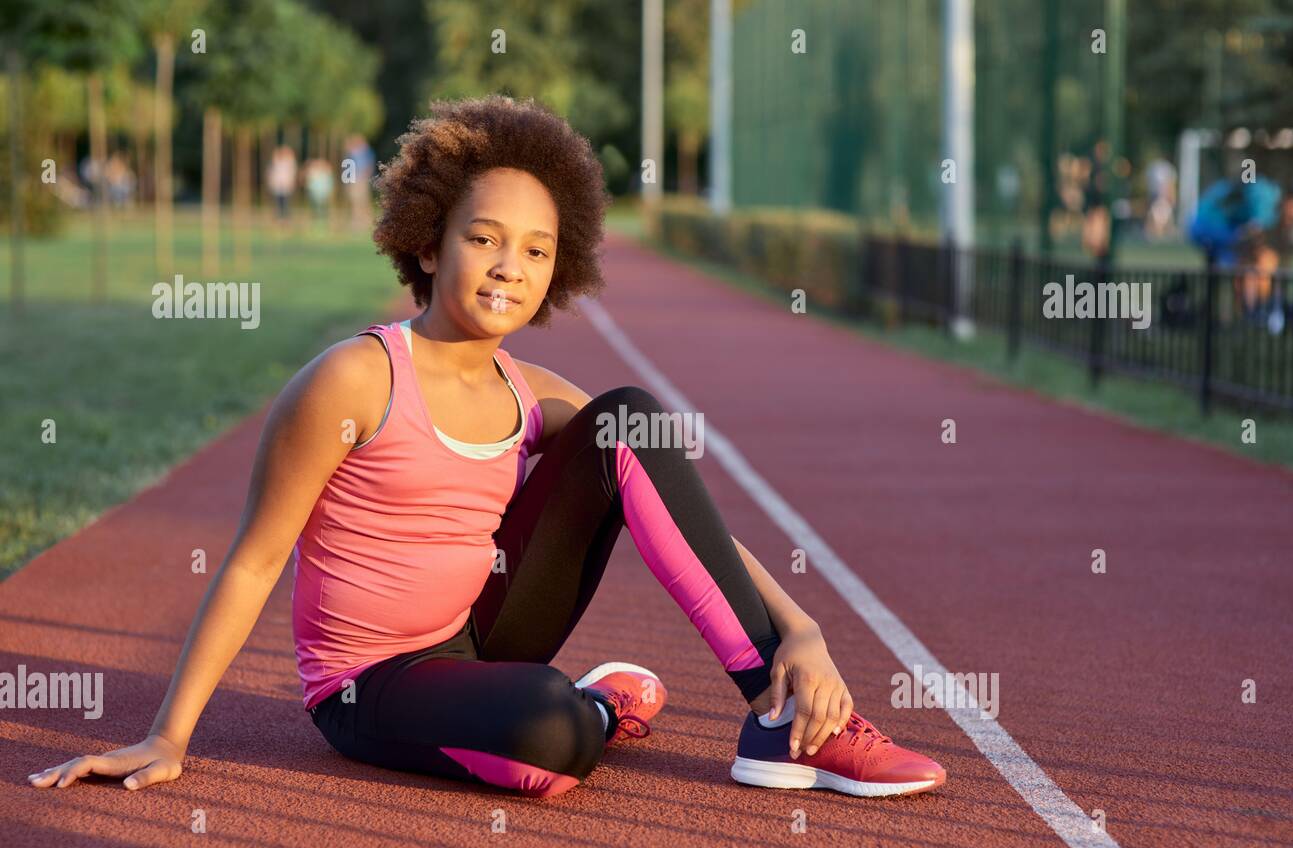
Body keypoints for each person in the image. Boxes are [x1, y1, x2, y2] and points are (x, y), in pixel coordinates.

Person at [27, 95, 946, 800]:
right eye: (485, 238)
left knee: (629, 417)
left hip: (482, 633)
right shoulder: (355, 380)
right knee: (556, 741)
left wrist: (802, 629)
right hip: (369, 686)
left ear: (560, 267)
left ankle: (785, 717)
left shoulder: (528, 390)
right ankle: (591, 704)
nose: (512, 266)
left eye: (538, 251)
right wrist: (169, 736)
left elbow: (674, 503)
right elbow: (253, 560)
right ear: (427, 244)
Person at [266, 144, 298, 222]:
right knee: (278, 202)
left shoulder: (290, 162)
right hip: (278, 185)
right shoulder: (276, 162)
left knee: (286, 202)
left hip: (286, 185)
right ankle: (280, 217)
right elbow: (271, 172)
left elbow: (292, 173)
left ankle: (286, 217)